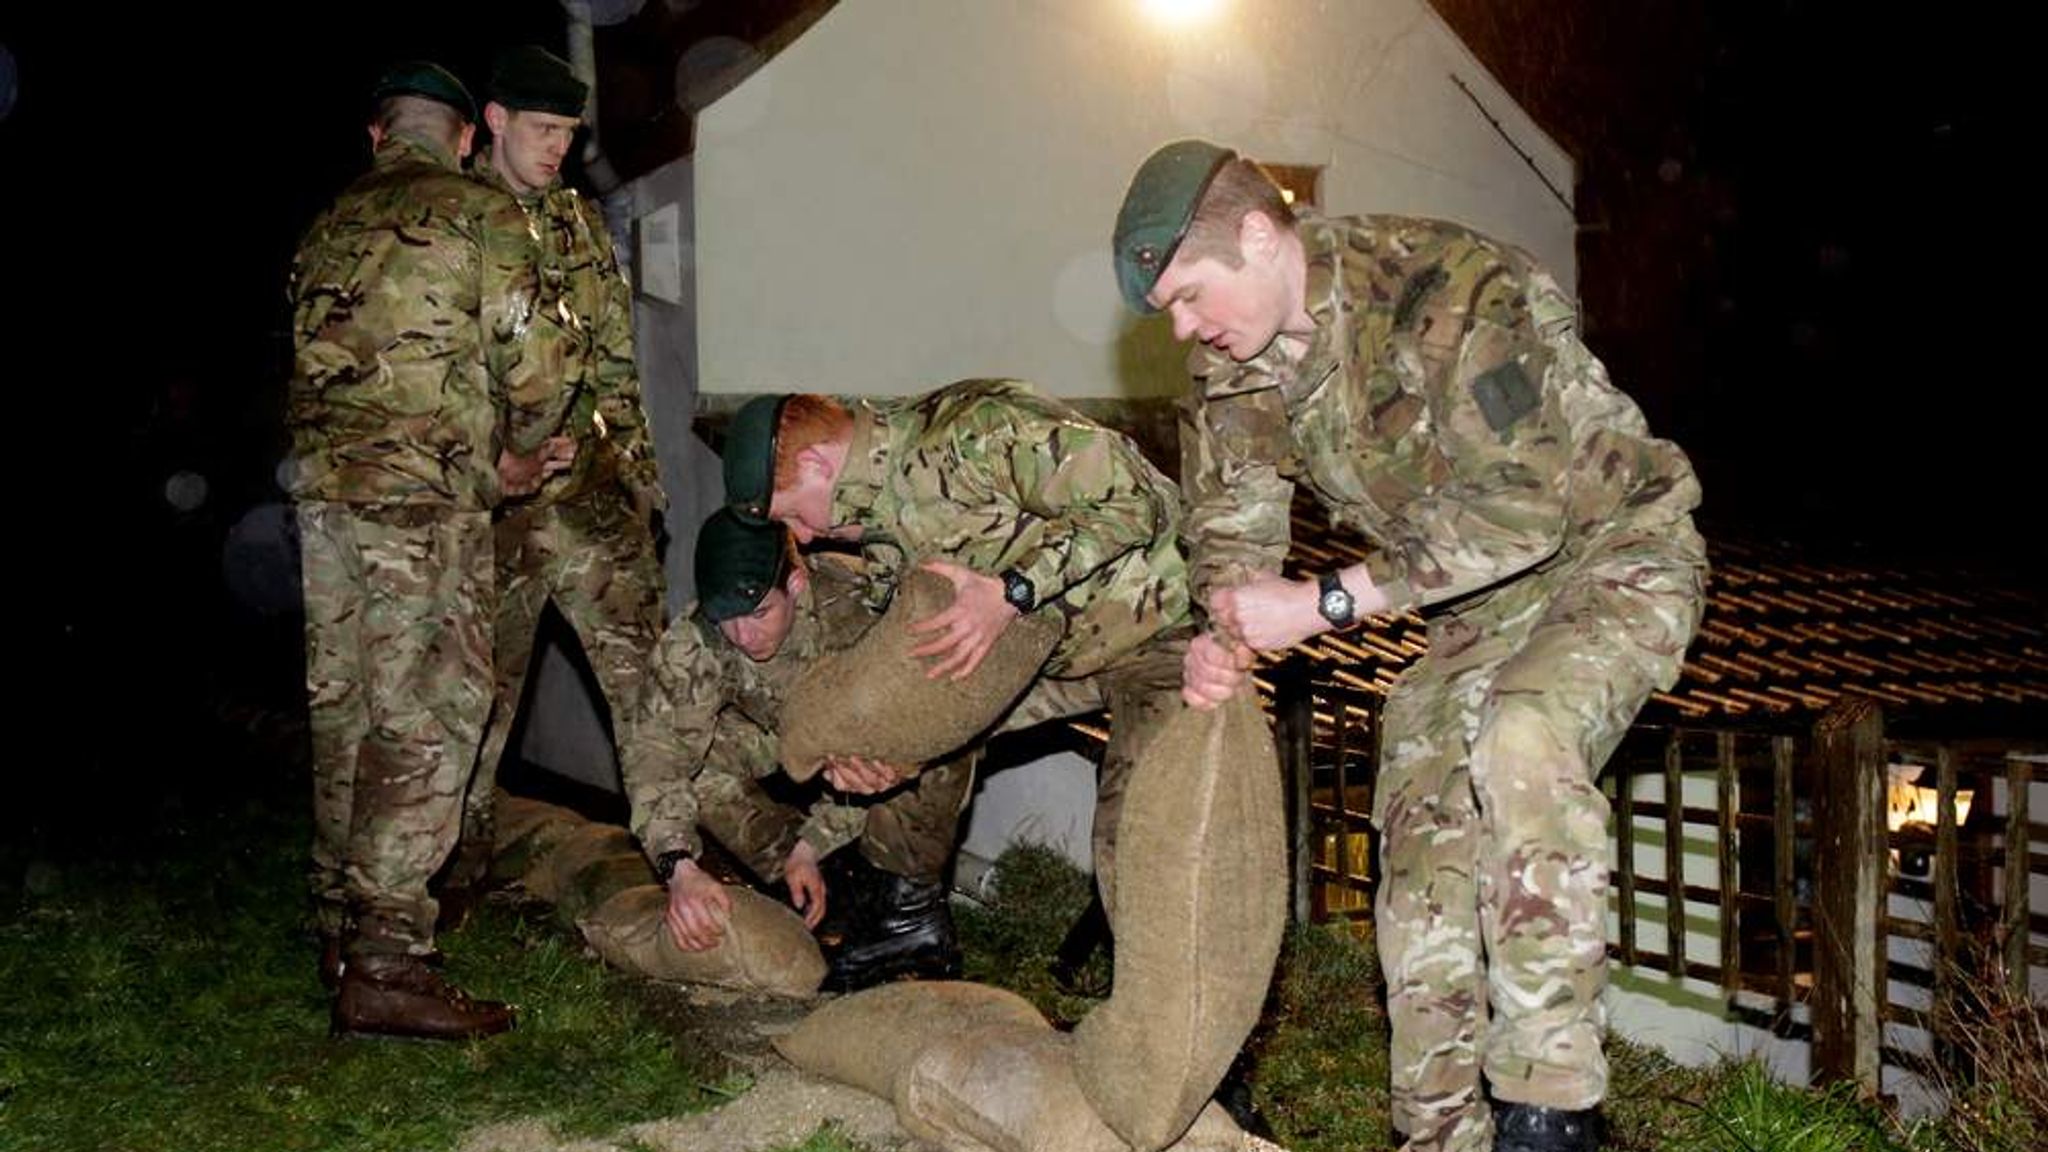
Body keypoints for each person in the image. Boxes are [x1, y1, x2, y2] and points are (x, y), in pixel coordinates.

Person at [1111, 140, 1708, 1152]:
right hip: (1473, 602)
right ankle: (1434, 1133)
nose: (1183, 327)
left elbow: (1527, 510)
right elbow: (1233, 531)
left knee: (1520, 739)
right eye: (1169, 310)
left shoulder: (1448, 289)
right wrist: (1226, 637)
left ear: (1259, 237)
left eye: (1189, 294)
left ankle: (1549, 1115)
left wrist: (1322, 603)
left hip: (1613, 549)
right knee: (1420, 816)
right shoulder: (1232, 360)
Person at [287, 60, 563, 1039]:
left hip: (324, 506)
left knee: (349, 710)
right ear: (460, 135)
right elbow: (539, 366)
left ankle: (339, 924)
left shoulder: (326, 227)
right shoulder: (480, 216)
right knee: (432, 717)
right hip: (426, 502)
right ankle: (390, 965)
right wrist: (521, 453)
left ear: (375, 135)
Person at [719, 379, 1193, 913]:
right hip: (1044, 658)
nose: (801, 538)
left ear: (816, 464)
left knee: (1137, 831)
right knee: (900, 730)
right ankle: (905, 922)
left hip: (1160, 631)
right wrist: (876, 760)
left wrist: (1012, 591)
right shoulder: (875, 524)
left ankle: (1167, 983)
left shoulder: (974, 430)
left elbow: (1133, 502)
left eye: (792, 515)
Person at [454, 45, 668, 892]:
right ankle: (458, 871)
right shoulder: (448, 222)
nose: (556, 149)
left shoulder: (575, 220)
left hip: (590, 497)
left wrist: (641, 471)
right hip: (493, 510)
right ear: (494, 121)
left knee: (648, 687)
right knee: (477, 701)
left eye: (568, 135)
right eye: (541, 130)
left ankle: (679, 862)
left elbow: (615, 357)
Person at [623, 508, 979, 989]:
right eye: (725, 619)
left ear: (795, 584)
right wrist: (678, 866)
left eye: (758, 614)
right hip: (787, 732)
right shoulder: (700, 639)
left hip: (875, 742)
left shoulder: (856, 614)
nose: (743, 637)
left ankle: (903, 911)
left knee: (934, 752)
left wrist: (821, 833)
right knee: (701, 766)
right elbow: (656, 752)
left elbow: (889, 739)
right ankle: (823, 881)